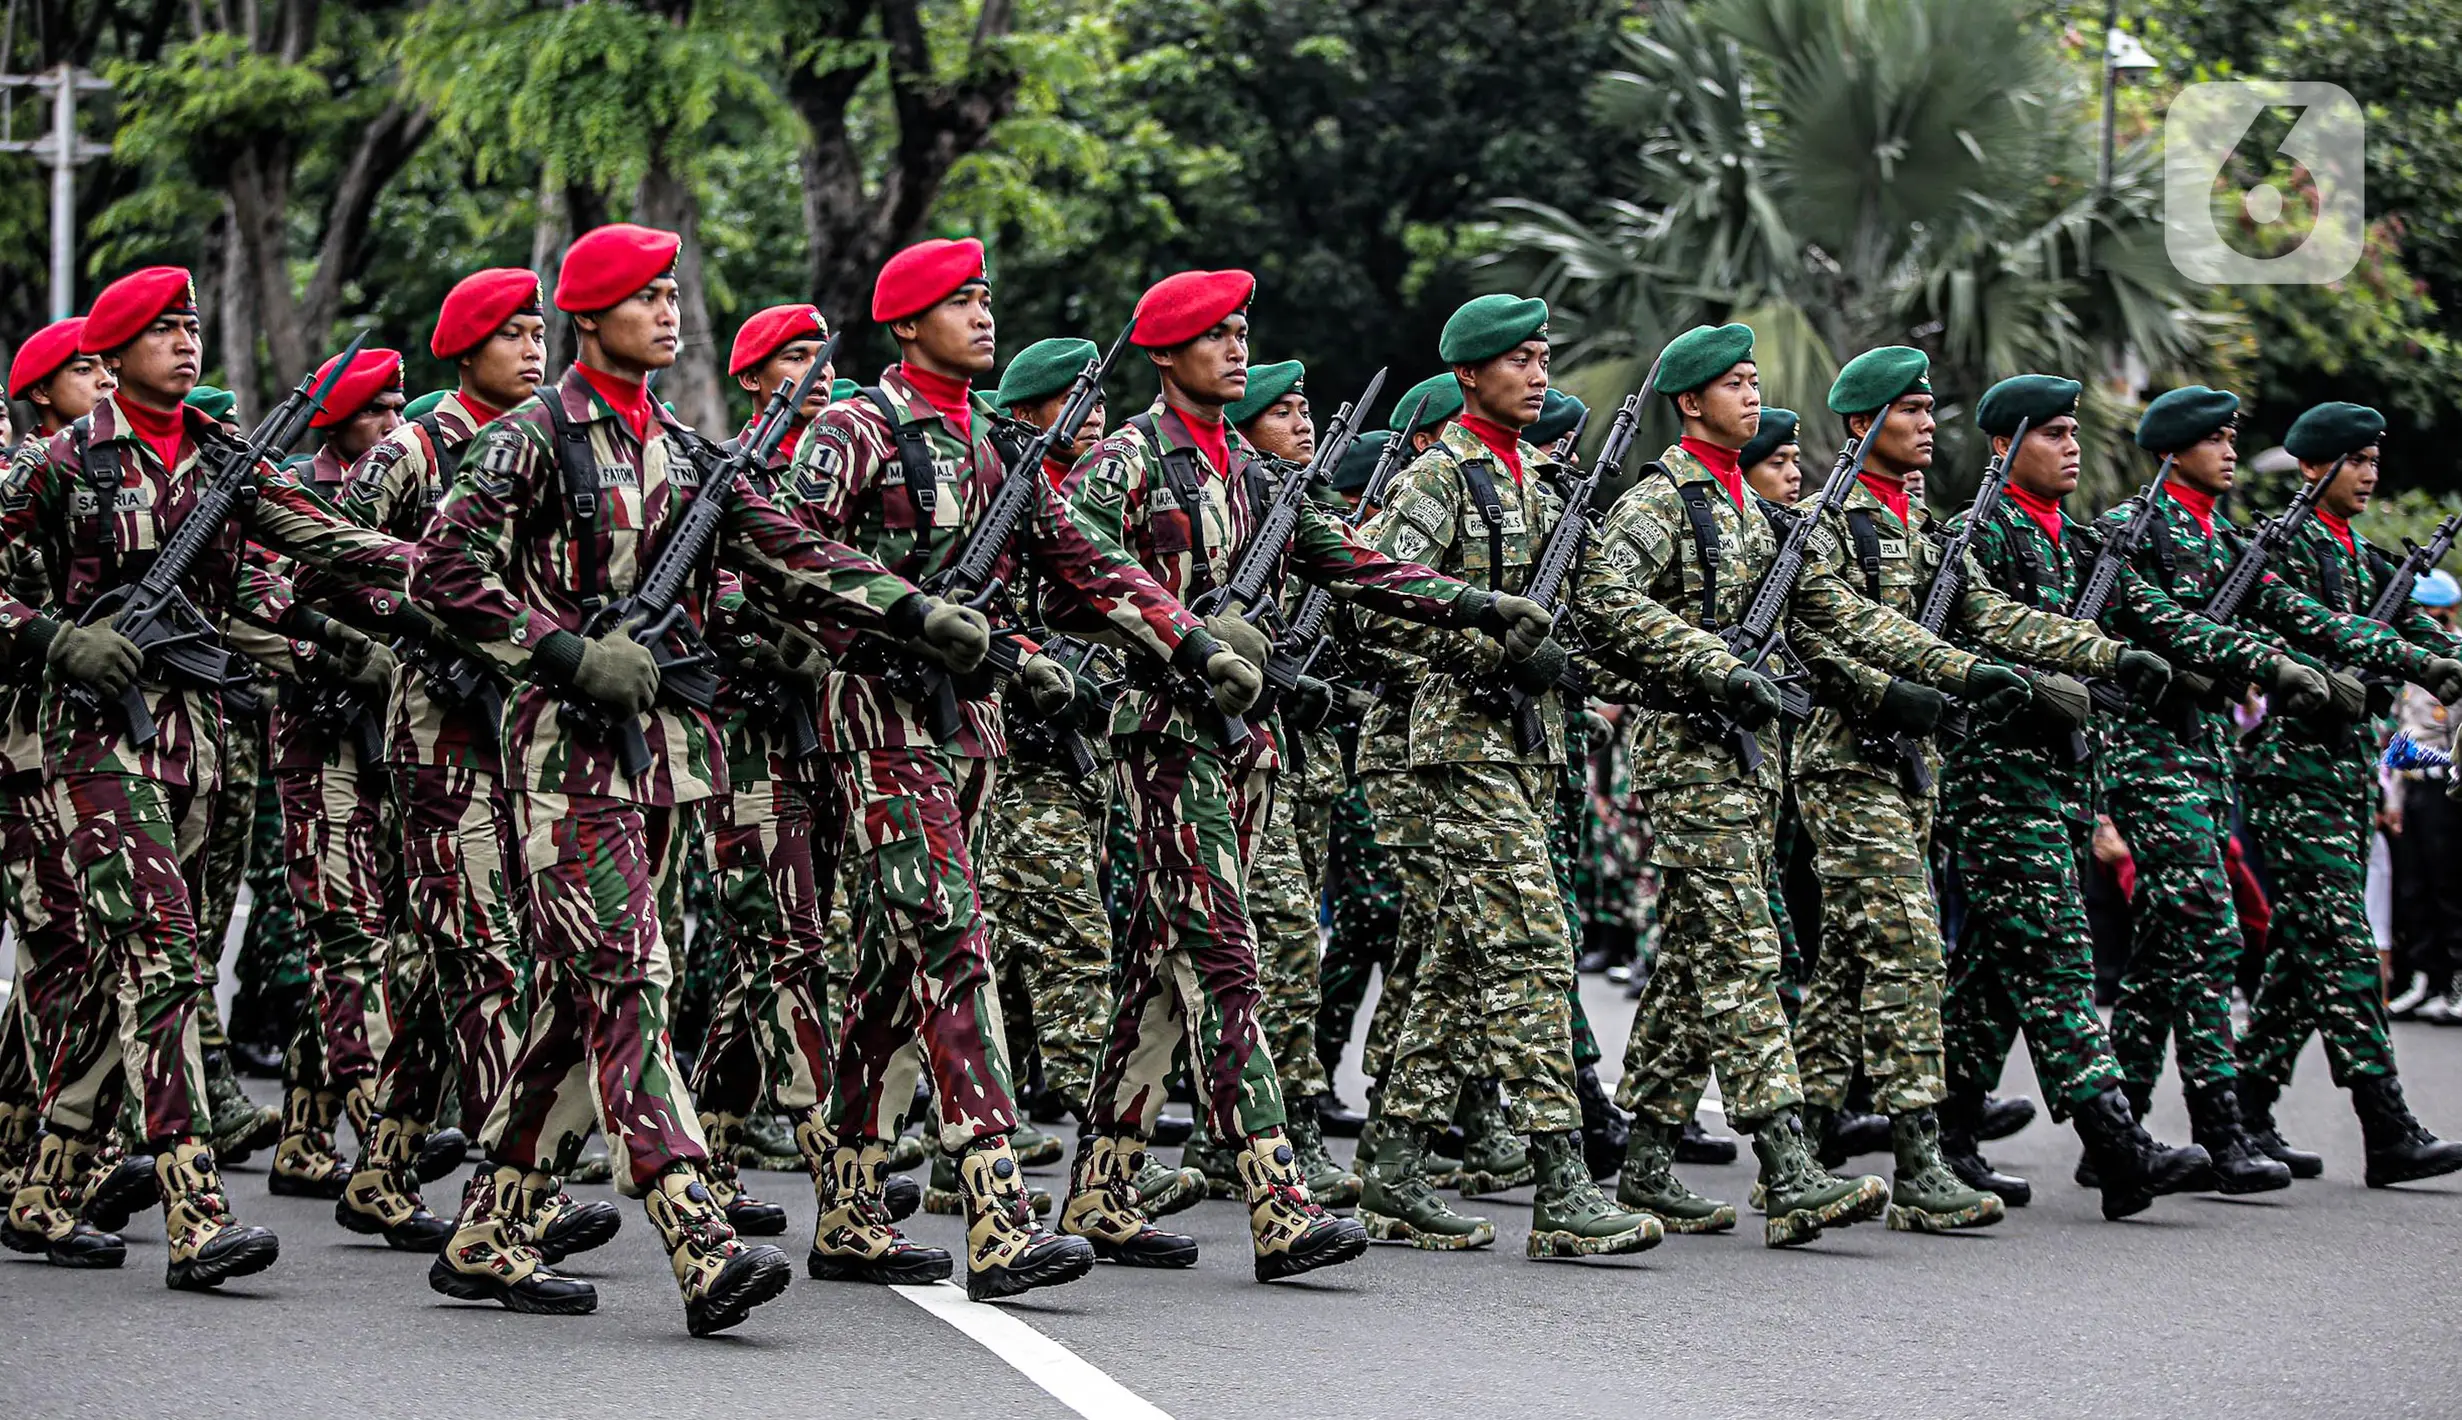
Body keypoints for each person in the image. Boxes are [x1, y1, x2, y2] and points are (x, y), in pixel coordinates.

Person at [413, 223, 959, 1334]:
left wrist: (913, 609)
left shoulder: (691, 452)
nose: (668, 314)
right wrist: (560, 650)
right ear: (590, 316)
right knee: (627, 978)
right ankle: (695, 1235)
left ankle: (488, 1230)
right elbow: (440, 572)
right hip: (560, 762)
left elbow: (793, 548)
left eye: (674, 297)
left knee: (585, 1002)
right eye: (646, 298)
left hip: (661, 762)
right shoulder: (526, 443)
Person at [1058, 268, 1542, 1281]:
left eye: (1241, 333)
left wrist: (1471, 605)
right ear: (1163, 354)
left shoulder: (1249, 468)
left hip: (1245, 746)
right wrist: (1189, 637)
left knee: (1160, 969)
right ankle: (1277, 1197)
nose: (1236, 350)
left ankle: (1101, 1190)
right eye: (1214, 336)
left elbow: (1349, 559)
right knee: (1229, 962)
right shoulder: (1122, 460)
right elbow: (1081, 567)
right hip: (1165, 740)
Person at [779, 239, 1229, 1300]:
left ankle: (847, 1205)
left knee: (898, 973)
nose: (983, 316)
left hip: (968, 734)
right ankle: (996, 1209)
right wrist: (905, 618)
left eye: (986, 299)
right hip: (878, 724)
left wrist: (1186, 639)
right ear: (903, 326)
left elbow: (1082, 563)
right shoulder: (852, 429)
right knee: (950, 940)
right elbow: (783, 557)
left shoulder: (990, 444)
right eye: (958, 302)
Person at [0, 266, 411, 1287]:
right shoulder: (57, 464)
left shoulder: (225, 459)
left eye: (193, 326)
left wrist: (439, 568)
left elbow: (323, 539)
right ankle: (196, 1207)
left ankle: (45, 1190)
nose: (186, 343)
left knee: (110, 976)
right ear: (116, 350)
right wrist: (56, 639)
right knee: (169, 959)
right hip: (82, 745)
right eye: (163, 329)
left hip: (190, 737)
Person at [1573, 324, 1998, 1247]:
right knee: (1747, 953)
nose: (1754, 397)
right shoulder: (1656, 506)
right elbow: (1602, 600)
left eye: (1755, 381)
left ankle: (1644, 1161)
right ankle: (1789, 1163)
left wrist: (1956, 673)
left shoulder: (1755, 514)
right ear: (1690, 403)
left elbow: (1833, 617)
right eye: (1735, 384)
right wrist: (1708, 665)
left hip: (1751, 761)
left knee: (1699, 961)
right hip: (1688, 755)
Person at [1788, 346, 2152, 1235]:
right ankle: (1920, 1165)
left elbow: (1988, 609)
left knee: (1845, 966)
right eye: (1910, 412)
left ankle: (1796, 1147)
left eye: (1931, 411)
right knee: (1912, 951)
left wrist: (2101, 652)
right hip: (1844, 760)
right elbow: (1843, 624)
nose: (1927, 426)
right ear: (1862, 423)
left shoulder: (1913, 527)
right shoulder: (1818, 522)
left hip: (1911, 767)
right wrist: (1959, 673)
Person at [1347, 293, 1659, 1261]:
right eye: (1519, 359)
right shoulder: (1439, 478)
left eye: (1543, 356)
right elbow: (1369, 608)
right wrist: (1488, 639)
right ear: (1469, 375)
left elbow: (1609, 611)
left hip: (1527, 748)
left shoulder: (1543, 481)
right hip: (1454, 753)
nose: (1537, 373)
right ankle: (1562, 1184)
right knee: (1530, 944)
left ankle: (1392, 1174)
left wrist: (1709, 670)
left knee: (1449, 958)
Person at [2090, 386, 2445, 1194]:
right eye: (2213, 440)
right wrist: (2279, 666)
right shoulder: (2134, 530)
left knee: (2200, 948)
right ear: (2174, 449)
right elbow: (2172, 622)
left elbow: (2305, 621)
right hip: (2184, 758)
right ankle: (2327, 1124)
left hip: (2224, 758)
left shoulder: (2240, 544)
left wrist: (2427, 660)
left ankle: (2137, 1123)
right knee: (2240, 933)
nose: (2227, 453)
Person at [333, 269, 616, 1262]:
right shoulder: (411, 449)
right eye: (510, 333)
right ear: (465, 348)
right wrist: (415, 625)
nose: (532, 349)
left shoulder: (552, 441)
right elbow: (322, 569)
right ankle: (518, 1195)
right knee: (484, 955)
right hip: (440, 737)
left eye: (539, 331)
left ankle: (381, 1166)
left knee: (464, 962)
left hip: (527, 733)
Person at [1931, 374, 2212, 1219]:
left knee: (1985, 975)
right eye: (2052, 433)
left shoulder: (2085, 544)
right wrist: (2027, 683)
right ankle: (2118, 1148)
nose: (2072, 446)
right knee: (2057, 962)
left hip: (2060, 784)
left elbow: (2156, 617)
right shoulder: (1971, 538)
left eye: (2072, 432)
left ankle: (1944, 1139)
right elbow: (1946, 645)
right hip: (1996, 785)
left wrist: (2248, 662)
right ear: (2004, 446)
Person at [2228, 401, 2462, 1186]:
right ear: (2310, 466)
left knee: (2302, 951)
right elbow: (2329, 629)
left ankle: (2245, 1109)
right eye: (2354, 460)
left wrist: (2444, 657)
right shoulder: (2281, 548)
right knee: (2344, 943)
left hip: (2348, 773)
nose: (2368, 474)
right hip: (2294, 775)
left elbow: (2408, 634)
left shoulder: (2355, 551)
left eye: (2372, 460)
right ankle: (2386, 1124)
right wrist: (2414, 657)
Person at [263, 343, 415, 1202]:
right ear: (335, 419)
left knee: (373, 941)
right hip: (317, 737)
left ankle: (304, 1135)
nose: (393, 424)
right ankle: (379, 1149)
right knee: (348, 936)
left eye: (399, 408)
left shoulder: (405, 495)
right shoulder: (296, 497)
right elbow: (263, 602)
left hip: (385, 738)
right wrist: (329, 651)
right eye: (376, 411)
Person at [2389, 570, 2462, 1021]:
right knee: (2412, 887)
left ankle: (2456, 980)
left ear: (2447, 612)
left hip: (2444, 785)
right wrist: (2393, 804)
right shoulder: (2408, 657)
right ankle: (2424, 979)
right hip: (2410, 784)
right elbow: (2400, 729)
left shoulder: (2455, 657)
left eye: (2431, 611)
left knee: (2449, 886)